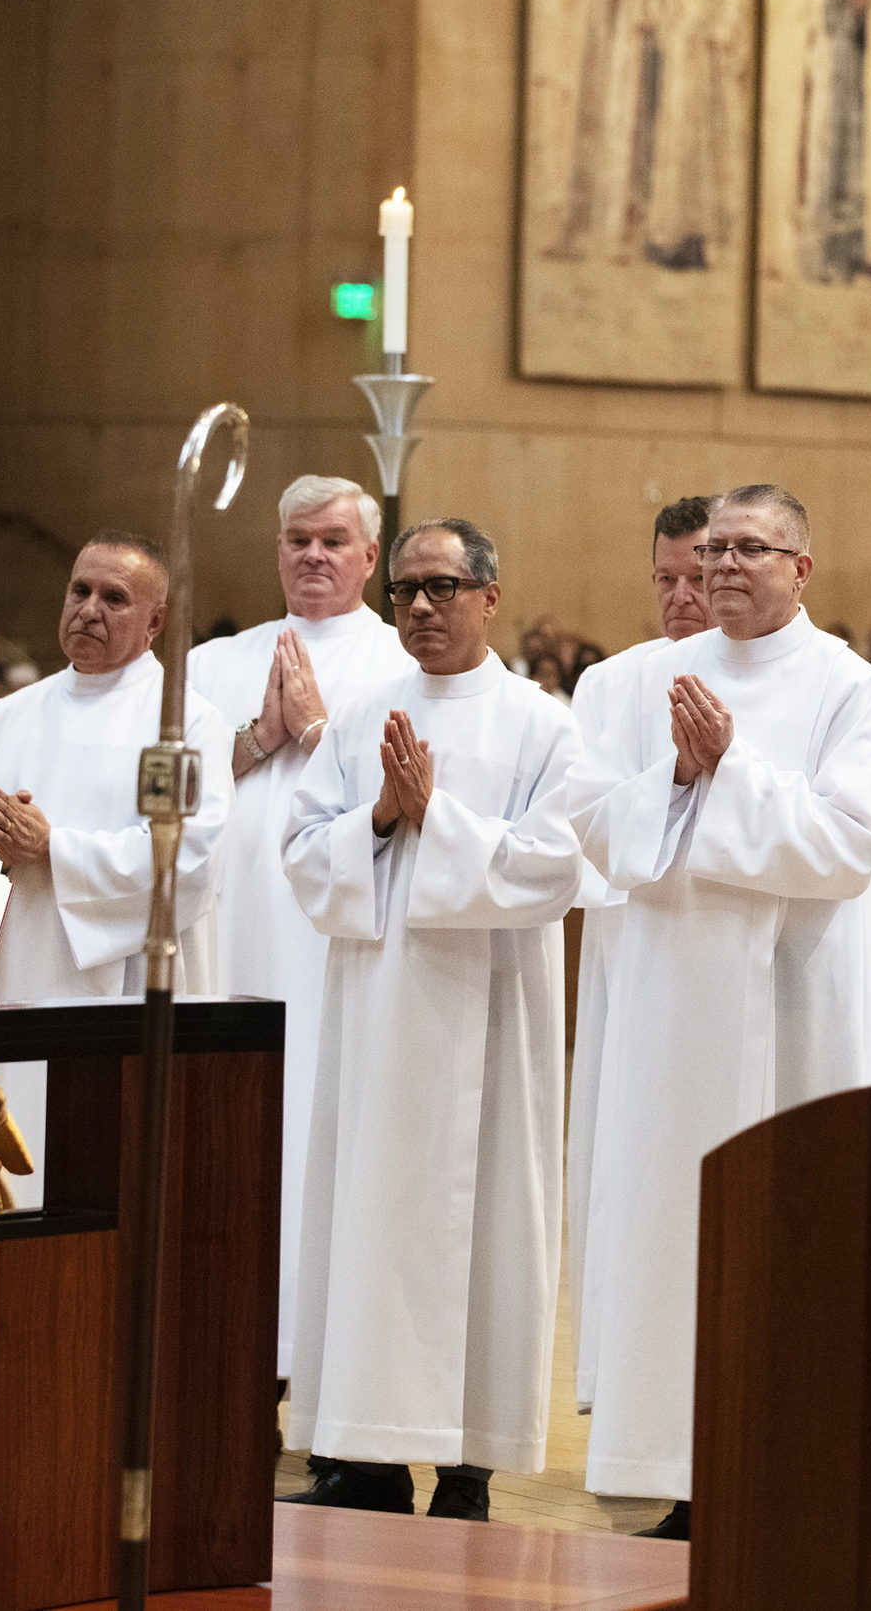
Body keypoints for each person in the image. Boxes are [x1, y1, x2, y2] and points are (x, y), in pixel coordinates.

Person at [565, 483, 871, 1538]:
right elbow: (591, 826)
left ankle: (781, 1465)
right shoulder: (643, 681)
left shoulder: (845, 682)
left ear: (802, 567)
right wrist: (676, 777)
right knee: (673, 1224)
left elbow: (848, 846)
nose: (724, 567)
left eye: (753, 549)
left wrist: (726, 773)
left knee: (784, 1227)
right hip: (669, 1002)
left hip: (794, 999)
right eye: (712, 550)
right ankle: (679, 1467)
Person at [272, 519, 581, 1520]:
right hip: (377, 1020)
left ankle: (466, 1465)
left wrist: (432, 816)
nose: (419, 607)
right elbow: (301, 848)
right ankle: (361, 1455)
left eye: (442, 587)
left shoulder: (544, 724)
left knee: (486, 1220)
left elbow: (554, 864)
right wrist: (377, 818)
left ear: (489, 597)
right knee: (368, 1219)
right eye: (404, 590)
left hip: (490, 1016)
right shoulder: (365, 713)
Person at [0, 532, 234, 1205]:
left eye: (114, 597)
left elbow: (188, 856)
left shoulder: (184, 724)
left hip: (118, 989)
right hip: (10, 980)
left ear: (154, 622)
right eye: (80, 590)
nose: (90, 608)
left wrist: (54, 849)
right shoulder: (11, 715)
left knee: (105, 1185)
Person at [186, 475, 413, 1388]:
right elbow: (166, 786)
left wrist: (315, 730)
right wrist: (255, 737)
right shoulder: (211, 664)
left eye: (332, 540)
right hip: (229, 936)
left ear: (369, 554)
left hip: (334, 949)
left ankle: (320, 1366)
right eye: (296, 539)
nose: (312, 555)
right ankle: (228, 1360)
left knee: (322, 1142)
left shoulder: (404, 661)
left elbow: (404, 796)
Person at [561, 495, 714, 1421]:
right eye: (667, 579)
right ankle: (621, 1387)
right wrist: (675, 780)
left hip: (727, 948)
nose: (683, 596)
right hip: (633, 953)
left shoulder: (784, 674)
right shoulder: (612, 684)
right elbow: (584, 817)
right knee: (628, 1172)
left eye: (700, 576)